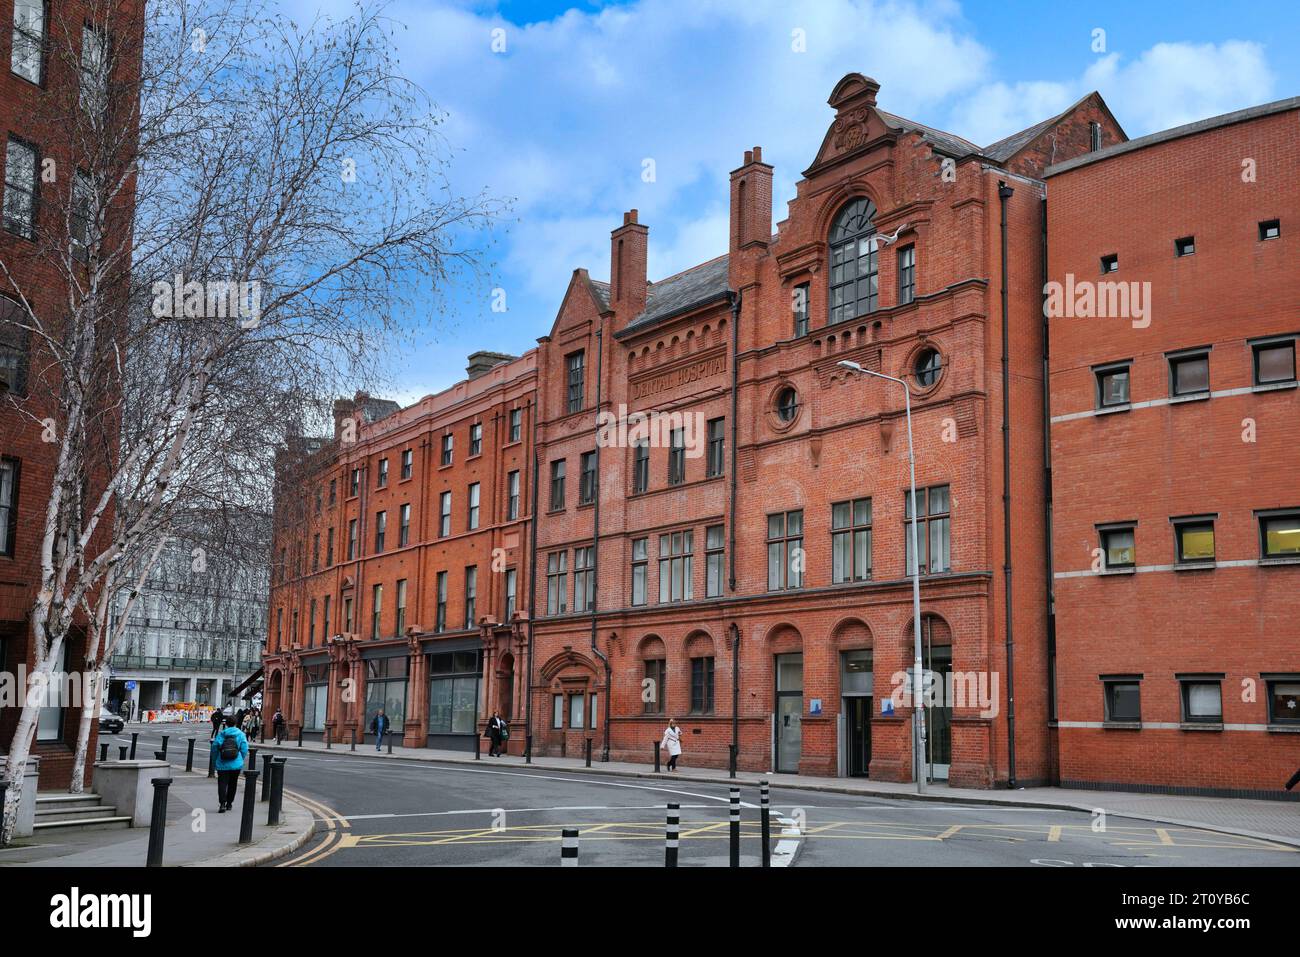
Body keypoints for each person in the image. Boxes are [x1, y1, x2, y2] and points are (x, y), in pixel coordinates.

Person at [210, 714, 249, 813]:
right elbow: (244, 749)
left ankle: (222, 803)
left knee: (222, 784)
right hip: (236, 764)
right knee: (233, 783)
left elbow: (214, 747)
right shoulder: (240, 734)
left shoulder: (222, 734)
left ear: (226, 724)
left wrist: (214, 760)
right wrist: (240, 758)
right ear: (236, 723)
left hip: (222, 763)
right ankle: (229, 803)